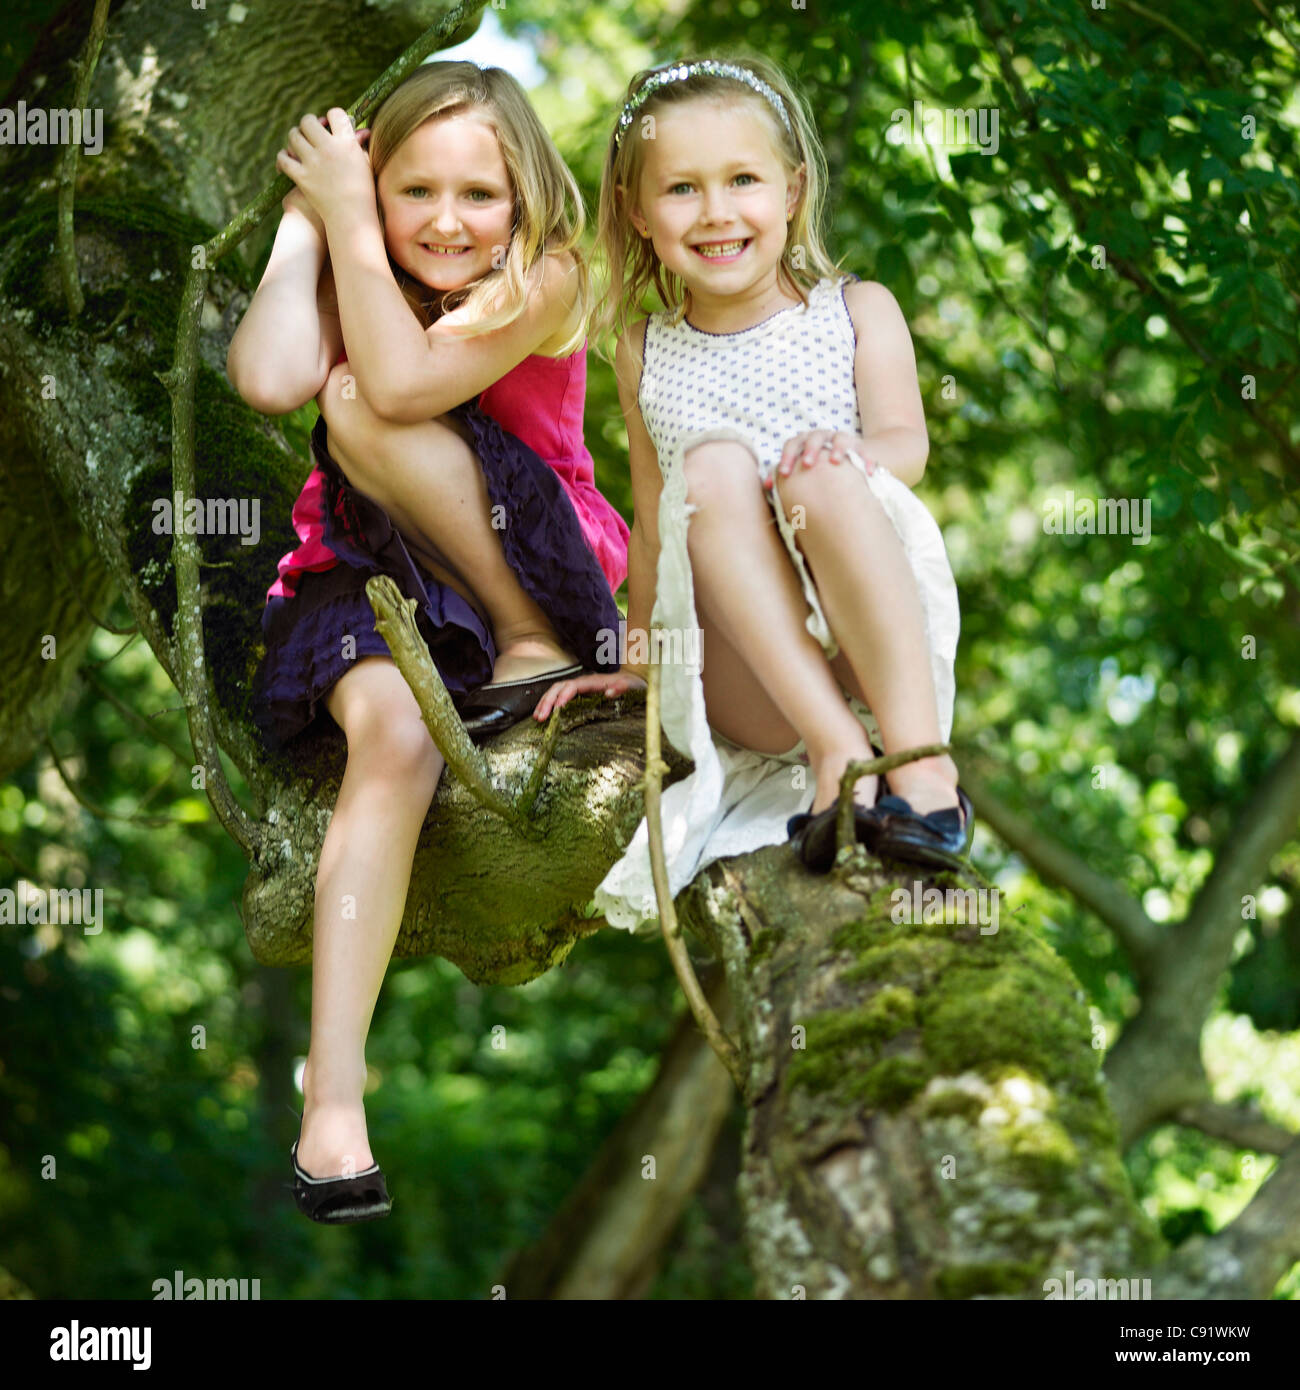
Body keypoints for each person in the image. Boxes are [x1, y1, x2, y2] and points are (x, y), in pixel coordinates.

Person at [226, 61, 629, 1220]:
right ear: (376, 191)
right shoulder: (363, 267)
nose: (447, 222)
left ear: (525, 199)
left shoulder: (545, 273)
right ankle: (333, 1105)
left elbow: (398, 389)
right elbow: (267, 378)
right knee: (393, 739)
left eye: (479, 194)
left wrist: (353, 220)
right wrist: (310, 220)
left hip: (532, 559)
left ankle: (529, 641)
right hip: (371, 583)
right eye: (413, 192)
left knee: (361, 400)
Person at [532, 56, 971, 935]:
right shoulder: (644, 350)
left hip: (874, 645)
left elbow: (908, 447)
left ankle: (921, 768)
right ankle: (835, 753)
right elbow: (653, 527)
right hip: (754, 682)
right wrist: (636, 662)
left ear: (793, 190)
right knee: (708, 472)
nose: (717, 211)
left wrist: (845, 453)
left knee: (817, 472)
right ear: (638, 212)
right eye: (682, 189)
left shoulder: (856, 309)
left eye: (743, 180)